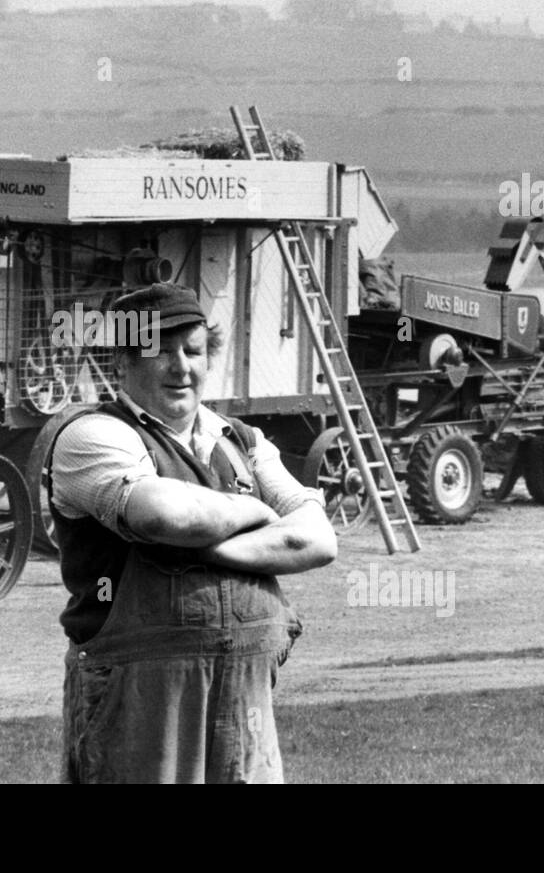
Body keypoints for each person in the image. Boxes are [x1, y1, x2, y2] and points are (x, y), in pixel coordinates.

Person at [47, 282, 337, 784]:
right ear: (122, 361)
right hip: (138, 696)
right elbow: (163, 517)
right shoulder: (91, 435)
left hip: (244, 697)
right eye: (161, 351)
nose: (182, 367)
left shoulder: (241, 440)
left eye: (194, 350)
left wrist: (207, 544)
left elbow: (314, 540)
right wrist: (258, 510)